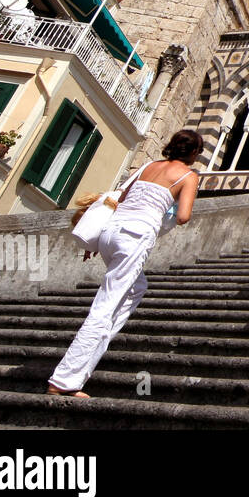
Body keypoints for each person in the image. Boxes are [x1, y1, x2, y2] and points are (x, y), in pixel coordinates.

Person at [47, 130, 202, 397]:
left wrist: (94, 243)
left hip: (111, 232)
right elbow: (184, 216)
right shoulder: (189, 176)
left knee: (135, 288)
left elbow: (120, 199)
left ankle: (86, 361)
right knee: (104, 308)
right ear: (193, 153)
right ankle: (62, 381)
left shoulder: (147, 166)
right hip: (135, 237)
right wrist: (170, 204)